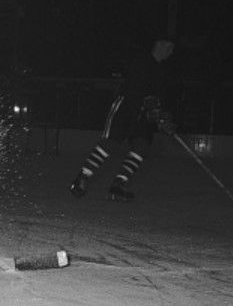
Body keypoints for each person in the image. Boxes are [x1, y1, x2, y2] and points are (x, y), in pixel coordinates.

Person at [69, 37, 177, 201]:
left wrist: (163, 117)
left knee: (142, 147)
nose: (171, 52)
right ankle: (83, 177)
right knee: (109, 143)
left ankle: (118, 185)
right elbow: (135, 89)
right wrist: (148, 105)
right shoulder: (141, 62)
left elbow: (160, 99)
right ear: (159, 45)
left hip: (143, 115)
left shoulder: (163, 72)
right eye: (169, 47)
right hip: (126, 107)